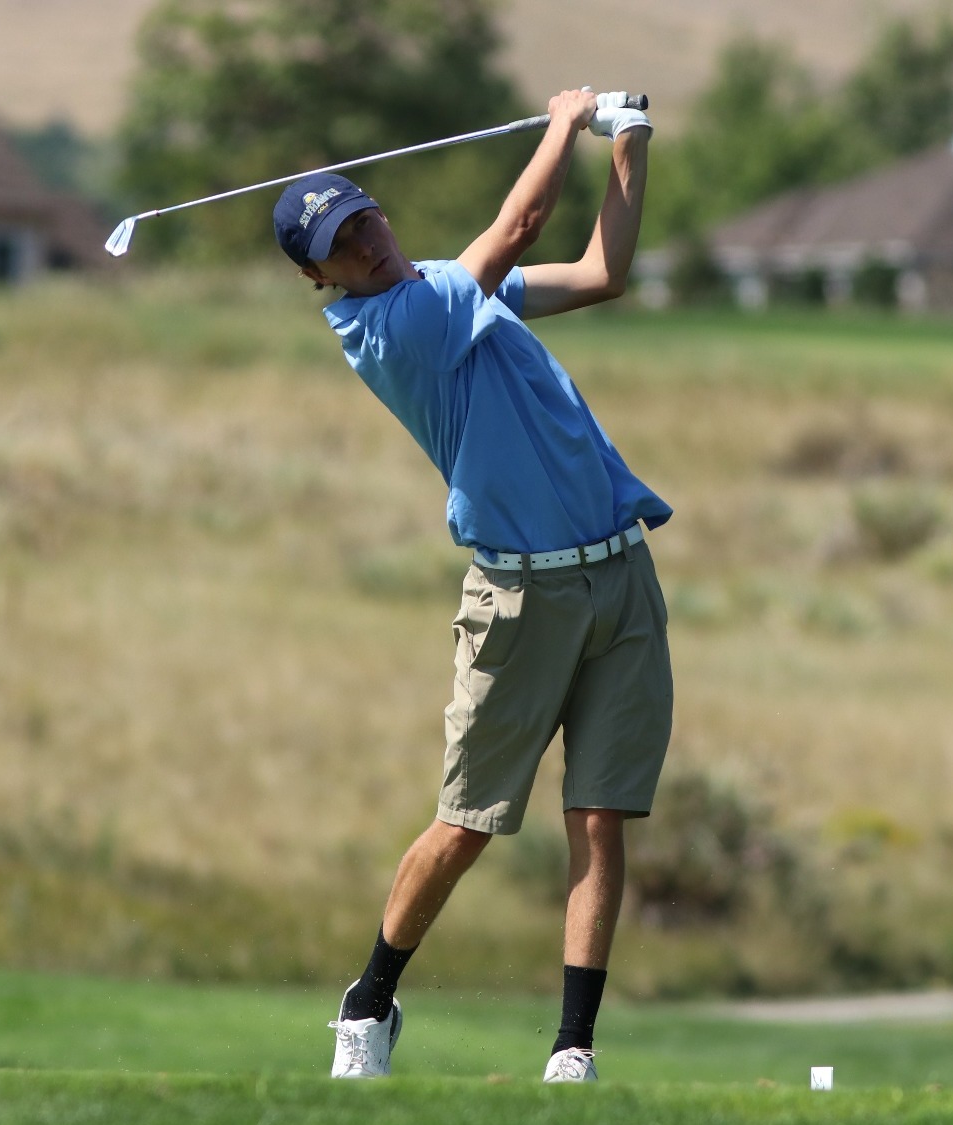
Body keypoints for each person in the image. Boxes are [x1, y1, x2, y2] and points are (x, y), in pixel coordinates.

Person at [271, 88, 669, 1084]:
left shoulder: (451, 285)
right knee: (465, 824)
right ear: (318, 277)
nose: (366, 242)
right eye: (342, 243)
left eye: (366, 219)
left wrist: (628, 142)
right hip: (518, 599)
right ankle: (366, 1004)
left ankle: (571, 1048)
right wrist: (562, 121)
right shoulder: (394, 324)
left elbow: (601, 271)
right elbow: (519, 223)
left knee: (599, 815)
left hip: (617, 576)